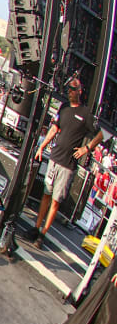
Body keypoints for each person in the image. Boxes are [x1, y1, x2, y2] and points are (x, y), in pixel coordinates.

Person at [33, 78, 104, 249]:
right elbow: (54, 129)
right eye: (69, 89)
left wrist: (86, 149)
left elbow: (100, 135)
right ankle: (36, 228)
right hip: (55, 158)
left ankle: (43, 234)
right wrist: (41, 146)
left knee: (56, 201)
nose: (70, 91)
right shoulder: (64, 107)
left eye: (73, 89)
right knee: (46, 194)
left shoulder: (85, 113)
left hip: (67, 164)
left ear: (80, 91)